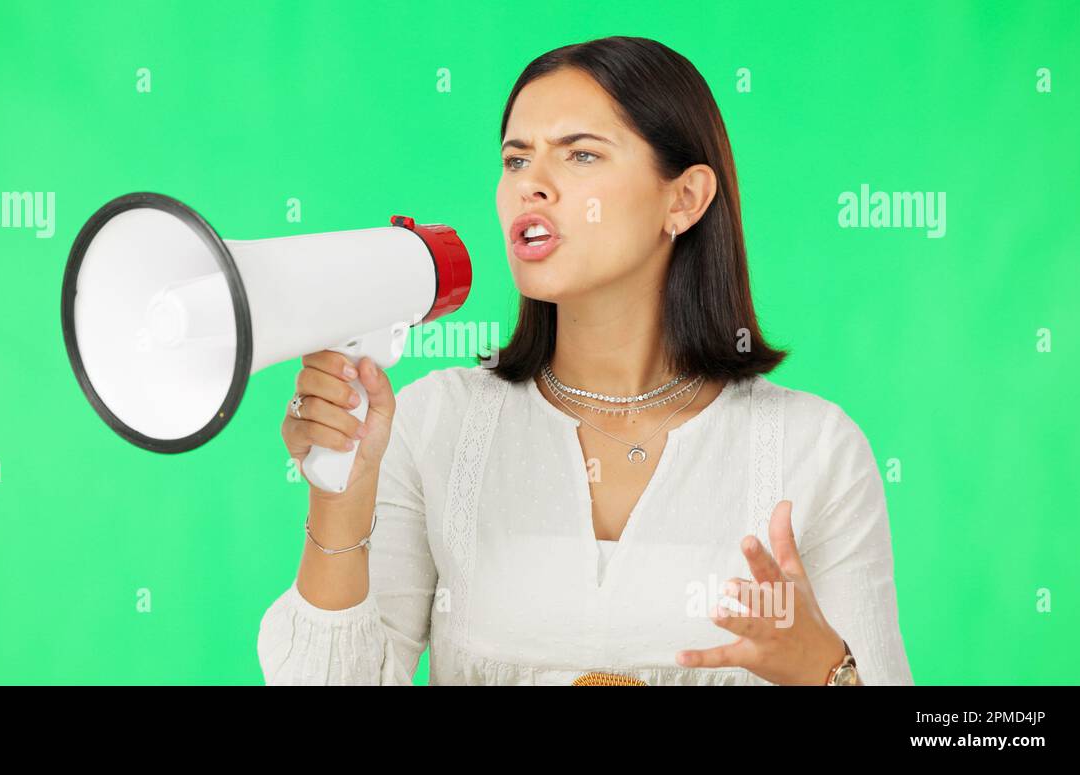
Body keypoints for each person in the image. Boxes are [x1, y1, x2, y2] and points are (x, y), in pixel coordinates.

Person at [257, 35, 914, 686]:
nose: (531, 187)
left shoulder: (816, 450)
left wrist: (831, 674)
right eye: (516, 161)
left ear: (683, 199)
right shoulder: (434, 423)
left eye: (579, 155)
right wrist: (338, 491)